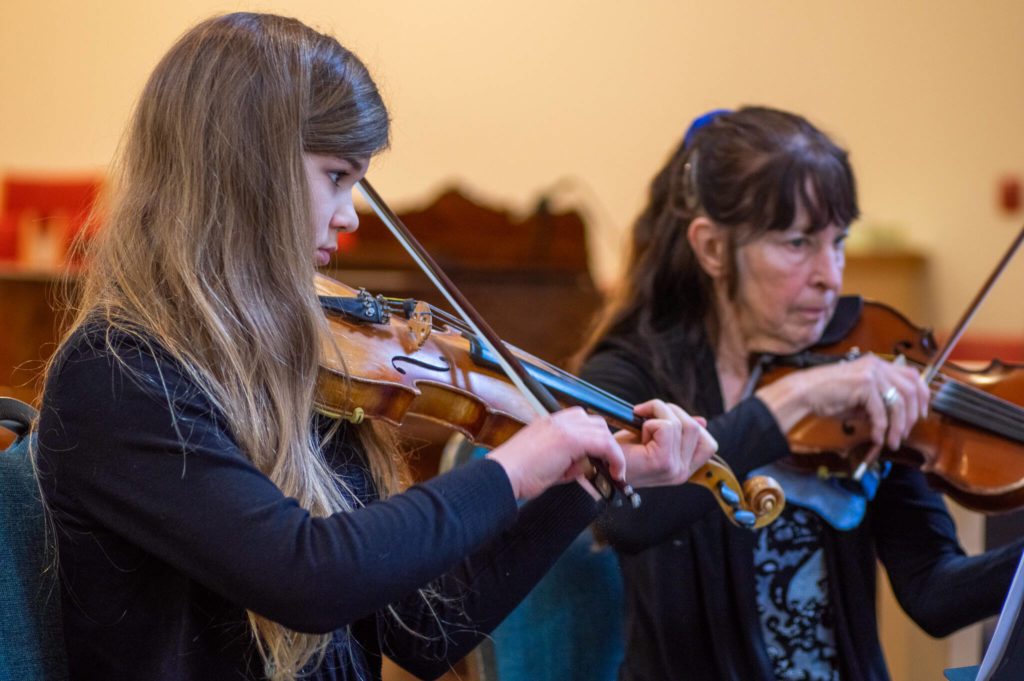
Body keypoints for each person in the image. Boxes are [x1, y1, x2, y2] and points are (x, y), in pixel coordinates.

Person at [31, 13, 718, 681]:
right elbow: (311, 576)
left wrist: (583, 478)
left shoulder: (302, 361)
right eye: (336, 175)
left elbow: (423, 633)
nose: (352, 214)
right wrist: (513, 468)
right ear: (246, 170)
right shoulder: (120, 374)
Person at [576, 106, 1024, 681]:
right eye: (797, 243)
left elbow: (934, 592)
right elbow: (624, 521)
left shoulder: (866, 372)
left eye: (838, 242)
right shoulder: (633, 374)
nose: (830, 275)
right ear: (712, 248)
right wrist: (793, 403)